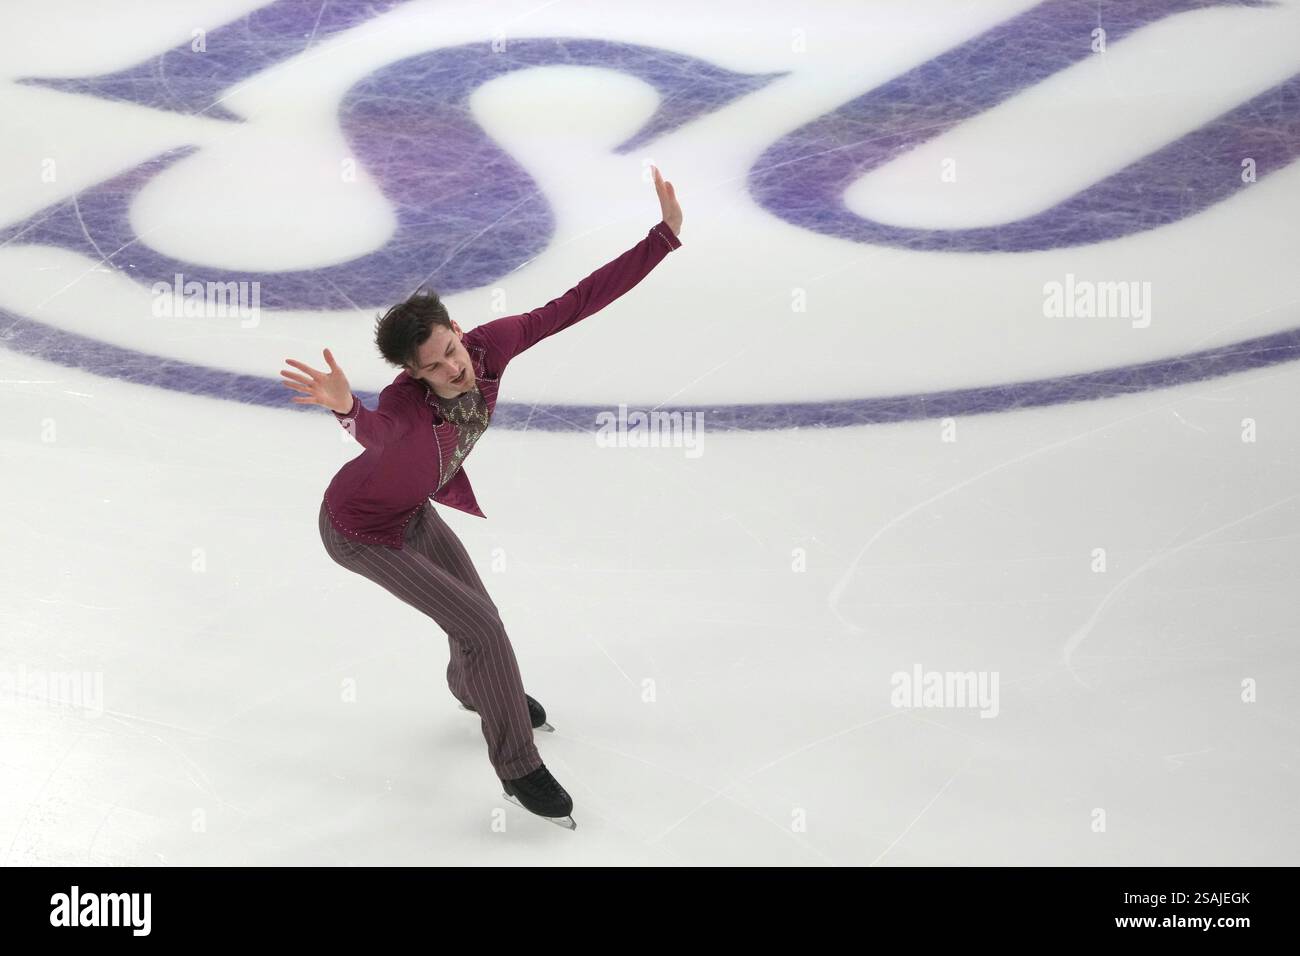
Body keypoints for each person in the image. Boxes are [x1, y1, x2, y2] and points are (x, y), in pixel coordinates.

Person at [279, 167, 684, 829]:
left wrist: (661, 238)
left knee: (477, 617)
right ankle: (518, 767)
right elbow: (377, 436)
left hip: (408, 512)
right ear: (413, 376)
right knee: (481, 626)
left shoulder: (491, 347)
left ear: (458, 330)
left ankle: (474, 687)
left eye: (450, 350)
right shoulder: (406, 411)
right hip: (357, 530)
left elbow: (574, 303)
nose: (453, 368)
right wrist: (346, 407)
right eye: (435, 367)